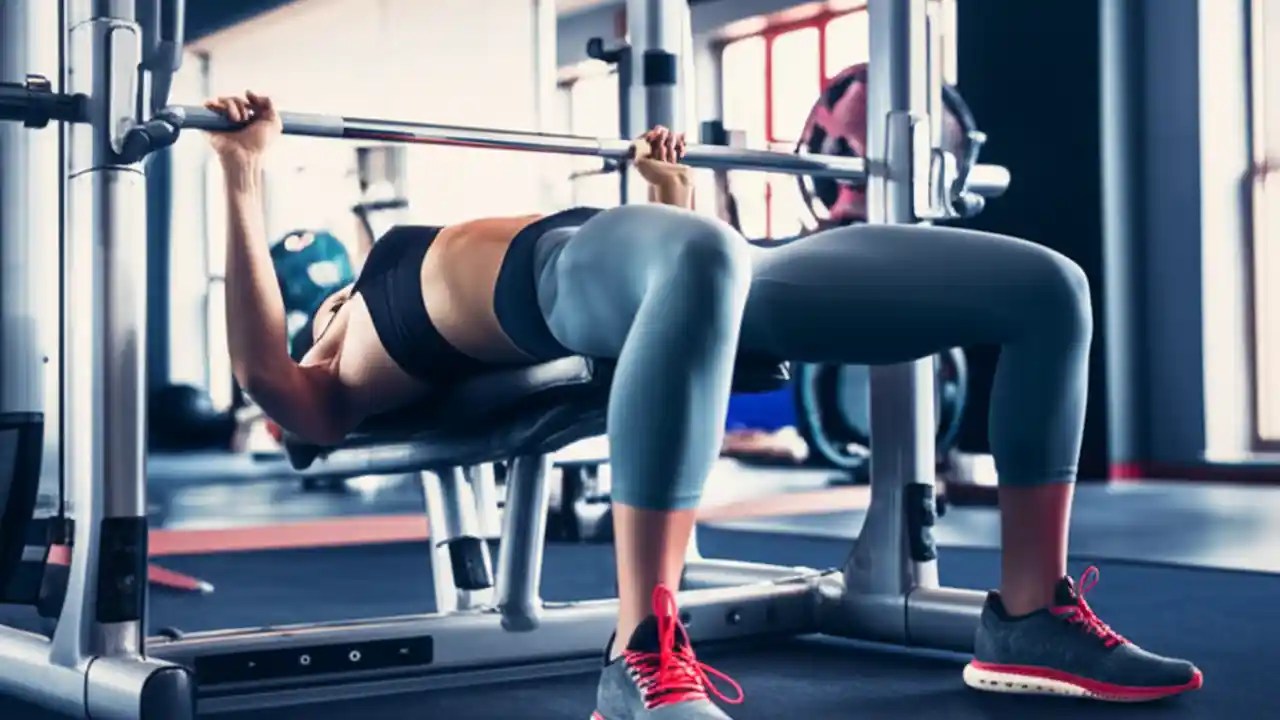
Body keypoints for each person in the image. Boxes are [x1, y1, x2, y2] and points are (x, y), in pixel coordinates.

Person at [205, 91, 1202, 720]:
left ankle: (1027, 615)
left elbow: (676, 319)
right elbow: (270, 386)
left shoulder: (375, 302)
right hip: (607, 275)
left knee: (1046, 288)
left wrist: (669, 197)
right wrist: (243, 177)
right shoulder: (338, 368)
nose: (322, 298)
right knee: (697, 255)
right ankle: (638, 658)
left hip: (714, 269)